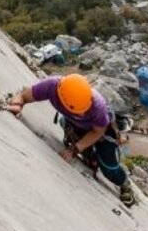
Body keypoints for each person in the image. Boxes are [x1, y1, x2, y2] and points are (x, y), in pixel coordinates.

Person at [8, 73, 135, 207]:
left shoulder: (97, 107)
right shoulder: (51, 86)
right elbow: (23, 96)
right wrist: (17, 104)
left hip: (102, 129)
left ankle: (124, 183)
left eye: (85, 109)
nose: (82, 113)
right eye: (79, 110)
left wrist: (73, 150)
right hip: (76, 123)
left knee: (109, 167)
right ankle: (89, 154)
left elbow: (98, 132)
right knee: (90, 159)